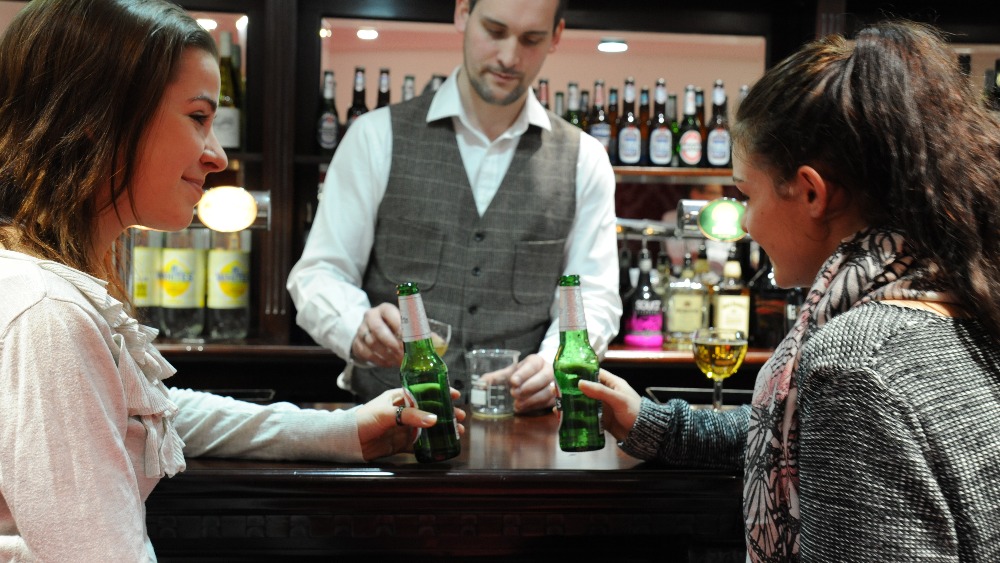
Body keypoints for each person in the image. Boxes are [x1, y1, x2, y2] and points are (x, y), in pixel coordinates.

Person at [0, 0, 464, 560]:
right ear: (101, 117)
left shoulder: (48, 285)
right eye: (198, 118)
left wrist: (343, 431)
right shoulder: (48, 314)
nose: (218, 156)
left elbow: (151, 413)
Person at [581, 20, 1000, 561]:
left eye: (746, 194)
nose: (745, 223)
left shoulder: (854, 365)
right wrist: (653, 424)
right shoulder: (959, 299)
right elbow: (798, 437)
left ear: (811, 194)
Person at [288, 0, 621, 413]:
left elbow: (595, 294)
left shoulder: (584, 159)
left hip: (523, 424)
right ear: (463, 13)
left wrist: (556, 362)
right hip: (393, 421)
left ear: (555, 37)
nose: (509, 56)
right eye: (495, 31)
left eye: (531, 39)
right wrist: (355, 325)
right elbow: (320, 272)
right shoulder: (375, 136)